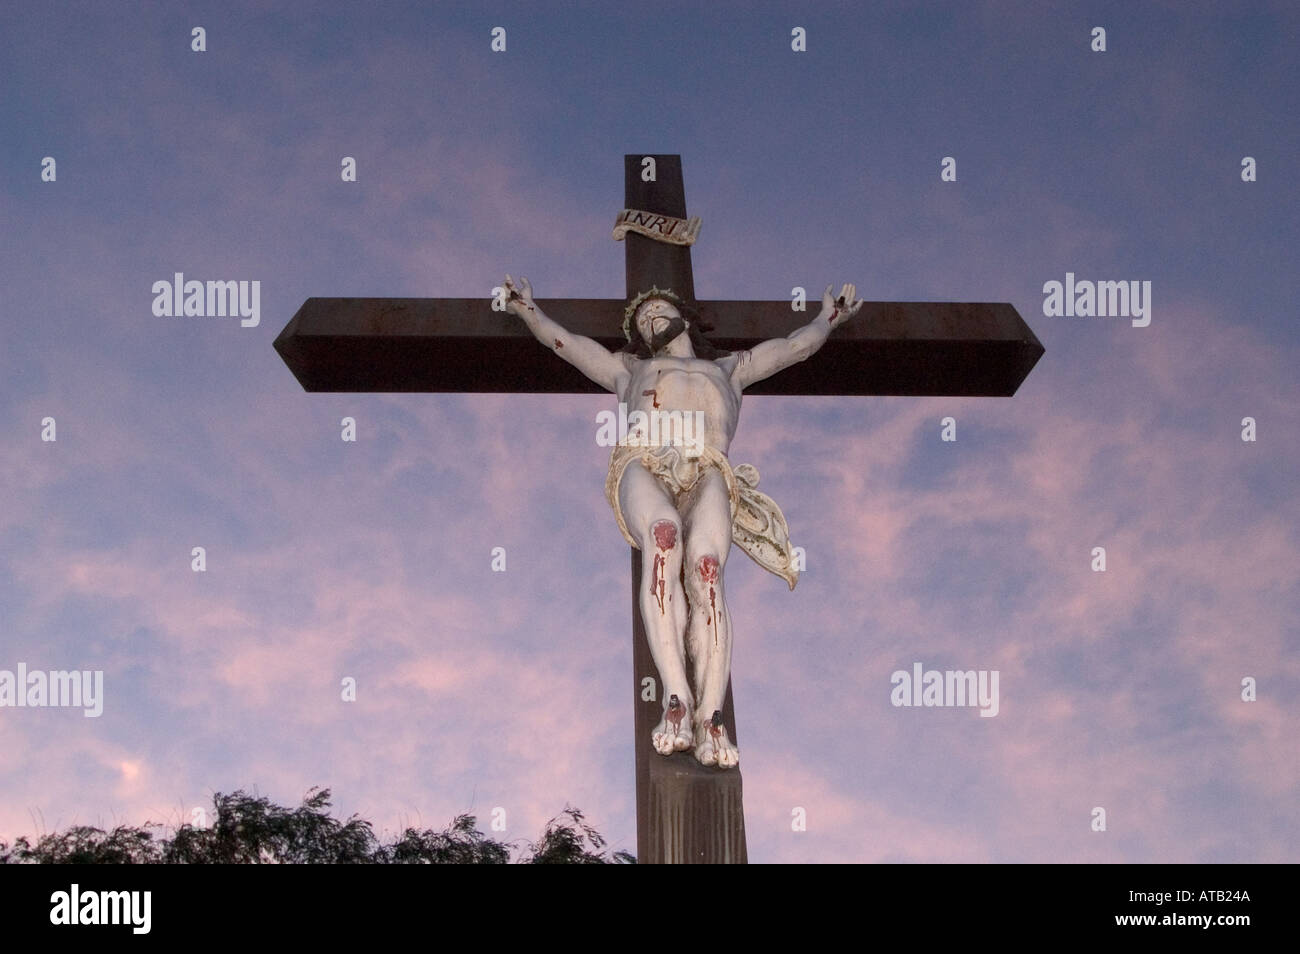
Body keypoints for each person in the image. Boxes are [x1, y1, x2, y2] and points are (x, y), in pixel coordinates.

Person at [502, 275, 863, 767]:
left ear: (682, 317)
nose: (648, 320)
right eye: (639, 319)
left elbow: (793, 348)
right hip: (644, 460)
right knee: (663, 537)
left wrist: (828, 318)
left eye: (654, 310)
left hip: (709, 465)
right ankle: (677, 697)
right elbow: (570, 345)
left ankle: (711, 716)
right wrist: (530, 312)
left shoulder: (729, 369)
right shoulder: (629, 371)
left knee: (708, 571)